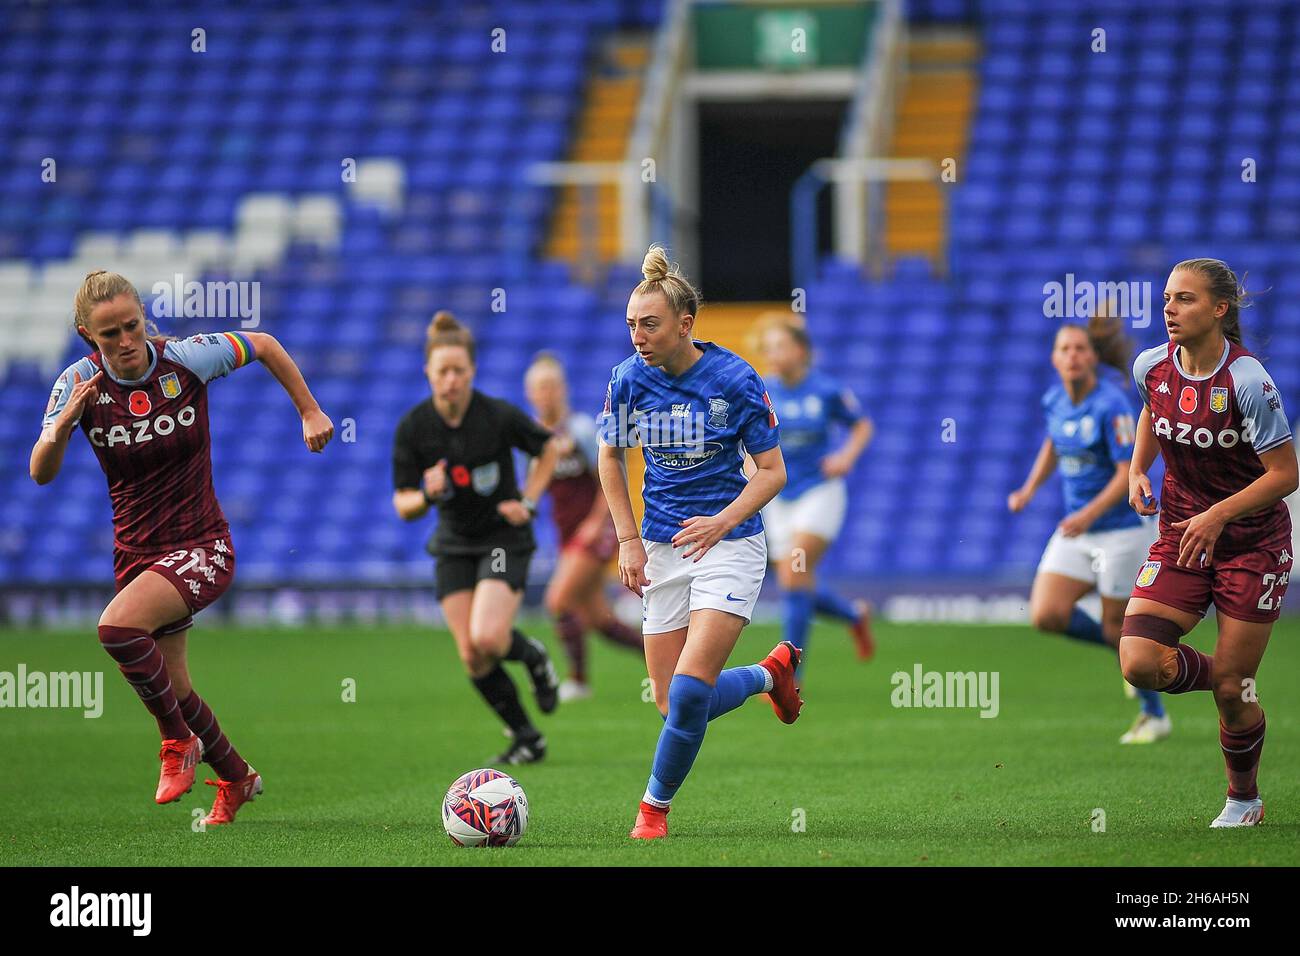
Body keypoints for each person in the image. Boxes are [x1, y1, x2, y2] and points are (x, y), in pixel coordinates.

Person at [29, 270, 335, 825]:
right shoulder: (76, 385)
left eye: (131, 326)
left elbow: (263, 344)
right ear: (85, 336)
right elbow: (40, 473)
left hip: (202, 545)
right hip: (137, 555)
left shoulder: (185, 359)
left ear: (143, 317)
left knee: (115, 628)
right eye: (109, 335)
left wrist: (309, 409)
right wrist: (61, 428)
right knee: (177, 686)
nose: (125, 342)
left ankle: (176, 743)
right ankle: (238, 777)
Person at [597, 246, 802, 840]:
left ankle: (651, 813)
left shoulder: (736, 379)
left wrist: (720, 521)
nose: (638, 335)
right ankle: (771, 674)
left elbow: (771, 472)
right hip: (662, 548)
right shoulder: (627, 379)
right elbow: (609, 456)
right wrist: (628, 539)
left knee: (687, 695)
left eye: (650, 324)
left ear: (685, 325)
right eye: (632, 324)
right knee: (671, 703)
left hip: (732, 544)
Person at [1121, 259, 1296, 827]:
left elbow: (1285, 474)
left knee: (1232, 689)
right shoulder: (1151, 365)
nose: (1169, 308)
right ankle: (1224, 679)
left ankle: (1244, 800)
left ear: (1219, 309)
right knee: (1140, 662)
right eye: (1167, 298)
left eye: (1185, 299)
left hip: (1252, 545)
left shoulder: (1247, 381)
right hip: (1182, 534)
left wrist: (1218, 514)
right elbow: (1153, 412)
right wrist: (1137, 470)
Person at [392, 311, 562, 765]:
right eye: (442, 371)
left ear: (471, 371)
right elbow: (403, 506)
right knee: (471, 655)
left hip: (503, 540)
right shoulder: (414, 428)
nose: (450, 380)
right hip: (453, 544)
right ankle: (528, 737)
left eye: (459, 371)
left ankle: (534, 657)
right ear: (427, 371)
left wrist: (527, 502)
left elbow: (549, 447)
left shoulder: (497, 416)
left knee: (488, 637)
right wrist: (426, 495)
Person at [1008, 316, 1168, 743]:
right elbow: (1052, 444)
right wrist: (1027, 489)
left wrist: (1088, 515)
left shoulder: (1111, 405)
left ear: (1094, 357)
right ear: (1054, 358)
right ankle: (1127, 659)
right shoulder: (1054, 401)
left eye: (1081, 348)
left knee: (1117, 626)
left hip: (1120, 529)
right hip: (1079, 530)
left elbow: (1126, 473)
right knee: (1046, 614)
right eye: (1065, 349)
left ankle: (1154, 715)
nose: (1073, 356)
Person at [524, 352, 642, 701]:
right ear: (530, 394)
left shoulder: (578, 429)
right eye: (539, 388)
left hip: (594, 530)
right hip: (567, 535)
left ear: (562, 389)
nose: (546, 394)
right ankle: (659, 658)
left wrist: (595, 523)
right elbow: (533, 488)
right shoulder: (534, 438)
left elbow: (608, 475)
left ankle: (577, 681)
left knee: (558, 600)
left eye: (551, 386)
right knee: (596, 618)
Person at [756, 316, 875, 661]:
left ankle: (789, 674)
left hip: (819, 491)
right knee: (797, 580)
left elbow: (862, 425)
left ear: (802, 350)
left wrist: (845, 457)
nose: (774, 354)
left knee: (794, 575)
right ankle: (853, 615)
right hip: (777, 495)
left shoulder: (826, 389)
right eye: (769, 348)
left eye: (781, 346)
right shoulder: (762, 391)